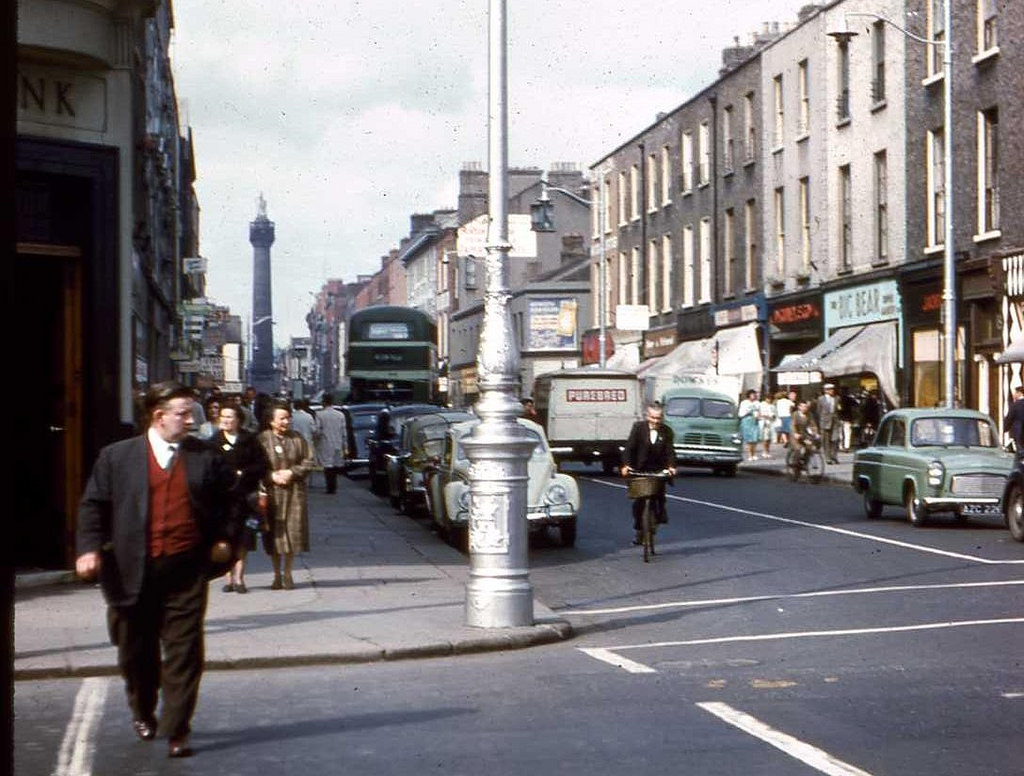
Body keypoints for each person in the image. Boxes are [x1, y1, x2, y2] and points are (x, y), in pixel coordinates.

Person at [75, 382, 235, 759]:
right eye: (183, 413)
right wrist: (88, 549)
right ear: (158, 417)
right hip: (132, 570)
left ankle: (177, 727)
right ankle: (143, 709)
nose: (191, 419)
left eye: (192, 412)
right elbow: (92, 506)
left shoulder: (205, 456)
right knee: (135, 652)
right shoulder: (117, 457)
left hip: (185, 569)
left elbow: (232, 502)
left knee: (185, 651)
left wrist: (225, 539)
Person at [212, 404, 268, 593]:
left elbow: (262, 465)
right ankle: (227, 577)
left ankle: (239, 578)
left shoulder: (249, 440)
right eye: (223, 416)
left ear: (238, 420)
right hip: (222, 499)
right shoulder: (213, 441)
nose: (226, 420)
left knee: (244, 539)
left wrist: (243, 473)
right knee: (225, 538)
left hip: (245, 497)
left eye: (230, 417)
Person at [259, 401, 314, 590]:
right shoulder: (262, 440)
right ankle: (276, 575)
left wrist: (292, 472)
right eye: (281, 418)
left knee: (292, 533)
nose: (286, 421)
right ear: (271, 421)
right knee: (274, 534)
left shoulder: (297, 439)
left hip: (294, 493)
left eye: (288, 418)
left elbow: (308, 462)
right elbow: (255, 467)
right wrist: (271, 476)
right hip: (272, 494)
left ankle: (288, 573)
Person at [620, 402, 677, 546]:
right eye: (653, 418)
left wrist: (671, 466)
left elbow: (670, 451)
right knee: (638, 502)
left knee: (660, 500)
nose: (656, 421)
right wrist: (626, 465)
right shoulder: (638, 428)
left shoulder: (667, 431)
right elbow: (629, 448)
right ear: (647, 416)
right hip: (640, 469)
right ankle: (639, 529)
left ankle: (654, 525)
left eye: (659, 418)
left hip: (658, 470)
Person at [314, 393, 348, 494]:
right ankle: (333, 486)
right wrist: (345, 446)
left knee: (327, 466)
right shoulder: (340, 415)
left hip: (325, 443)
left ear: (324, 402)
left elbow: (317, 430)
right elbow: (344, 432)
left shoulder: (319, 414)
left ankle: (330, 487)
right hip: (337, 442)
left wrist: (315, 439)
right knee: (334, 465)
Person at [814, 383, 842, 464]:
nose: (832, 391)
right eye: (830, 389)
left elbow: (838, 409)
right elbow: (818, 411)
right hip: (825, 422)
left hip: (835, 422)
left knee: (835, 439)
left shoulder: (837, 398)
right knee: (826, 441)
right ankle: (828, 457)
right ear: (825, 391)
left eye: (832, 389)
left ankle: (834, 456)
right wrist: (820, 421)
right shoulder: (821, 399)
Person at [738, 389, 760, 462]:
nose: (754, 396)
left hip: (755, 421)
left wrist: (758, 416)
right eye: (752, 394)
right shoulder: (744, 403)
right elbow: (741, 414)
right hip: (747, 421)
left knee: (755, 438)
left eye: (754, 394)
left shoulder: (757, 403)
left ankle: (754, 454)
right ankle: (750, 455)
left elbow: (759, 412)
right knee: (749, 439)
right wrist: (748, 412)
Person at [1005, 386, 1024, 450]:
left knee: (1020, 452)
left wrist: (1004, 429)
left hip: (1018, 433)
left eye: (1015, 392)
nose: (1014, 394)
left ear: (1020, 393)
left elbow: (1010, 418)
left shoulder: (1015, 405)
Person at [758, 393, 776, 458]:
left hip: (771, 423)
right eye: (768, 399)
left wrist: (772, 417)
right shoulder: (761, 405)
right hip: (764, 423)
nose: (769, 400)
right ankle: (765, 451)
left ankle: (768, 451)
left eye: (771, 399)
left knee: (769, 439)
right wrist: (766, 416)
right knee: (765, 438)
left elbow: (775, 415)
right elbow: (759, 414)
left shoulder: (773, 406)